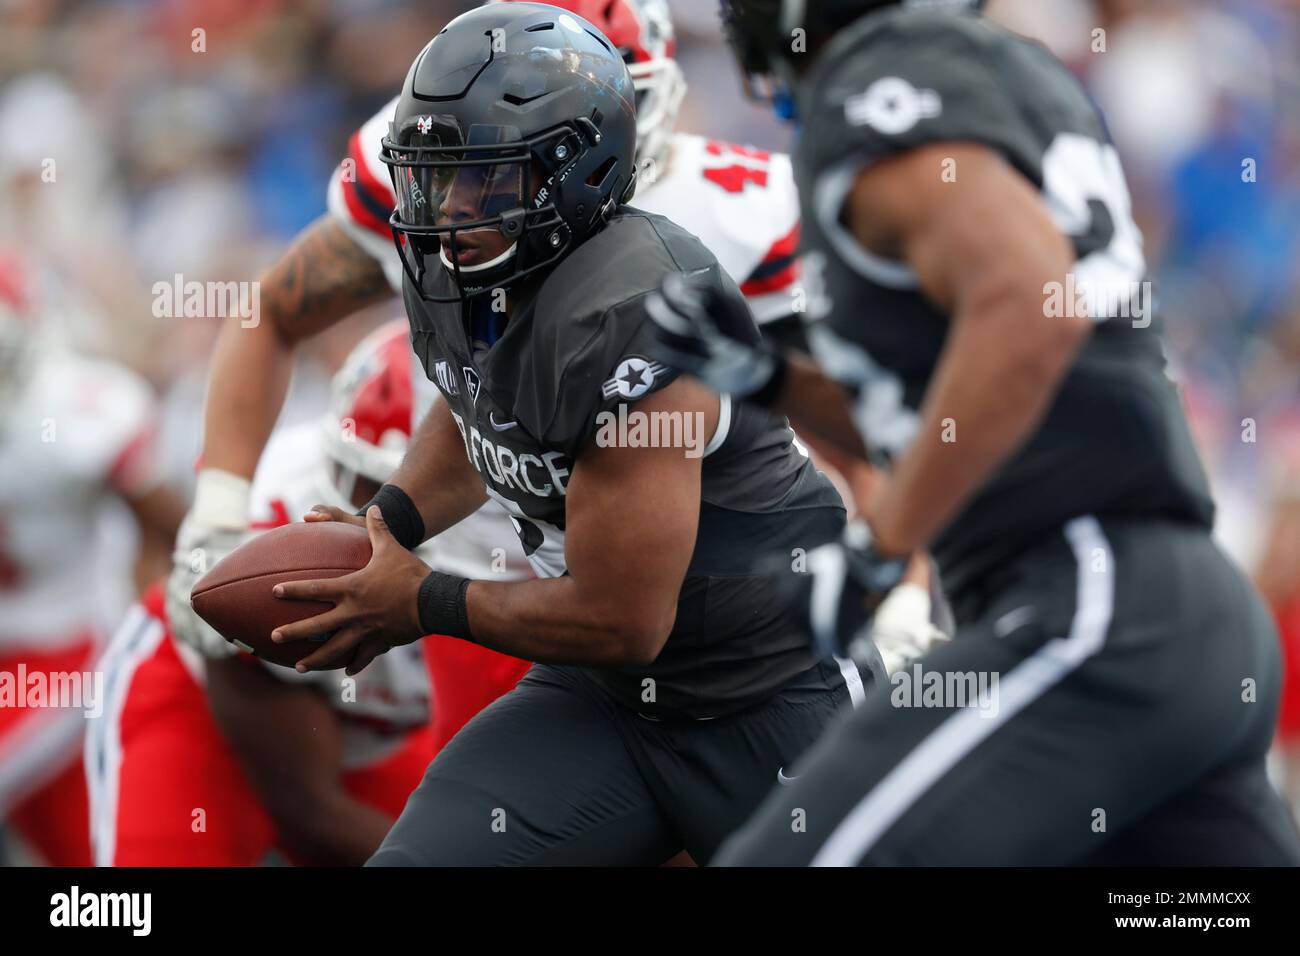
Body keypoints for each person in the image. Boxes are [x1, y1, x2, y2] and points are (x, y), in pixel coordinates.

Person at [647, 0, 1300, 864]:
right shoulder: (996, 72)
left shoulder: (875, 89)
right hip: (1169, 617)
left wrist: (877, 550)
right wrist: (771, 379)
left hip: (1092, 606)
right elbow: (954, 408)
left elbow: (1030, 307)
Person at [268, 2, 858, 866]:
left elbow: (624, 619)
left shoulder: (638, 313)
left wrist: (421, 601)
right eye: (432, 175)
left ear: (574, 175)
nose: (446, 209)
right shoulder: (466, 262)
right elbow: (476, 401)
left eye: (481, 179)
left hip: (763, 693)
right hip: (605, 702)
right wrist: (389, 522)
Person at [88, 323, 527, 866]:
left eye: (392, 490)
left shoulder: (530, 548)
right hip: (199, 708)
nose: (372, 514)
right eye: (356, 480)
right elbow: (307, 811)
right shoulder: (276, 529)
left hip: (376, 733)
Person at [0, 249, 184, 865]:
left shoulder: (72, 414)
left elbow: (173, 528)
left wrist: (147, 619)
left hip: (60, 644)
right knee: (78, 843)